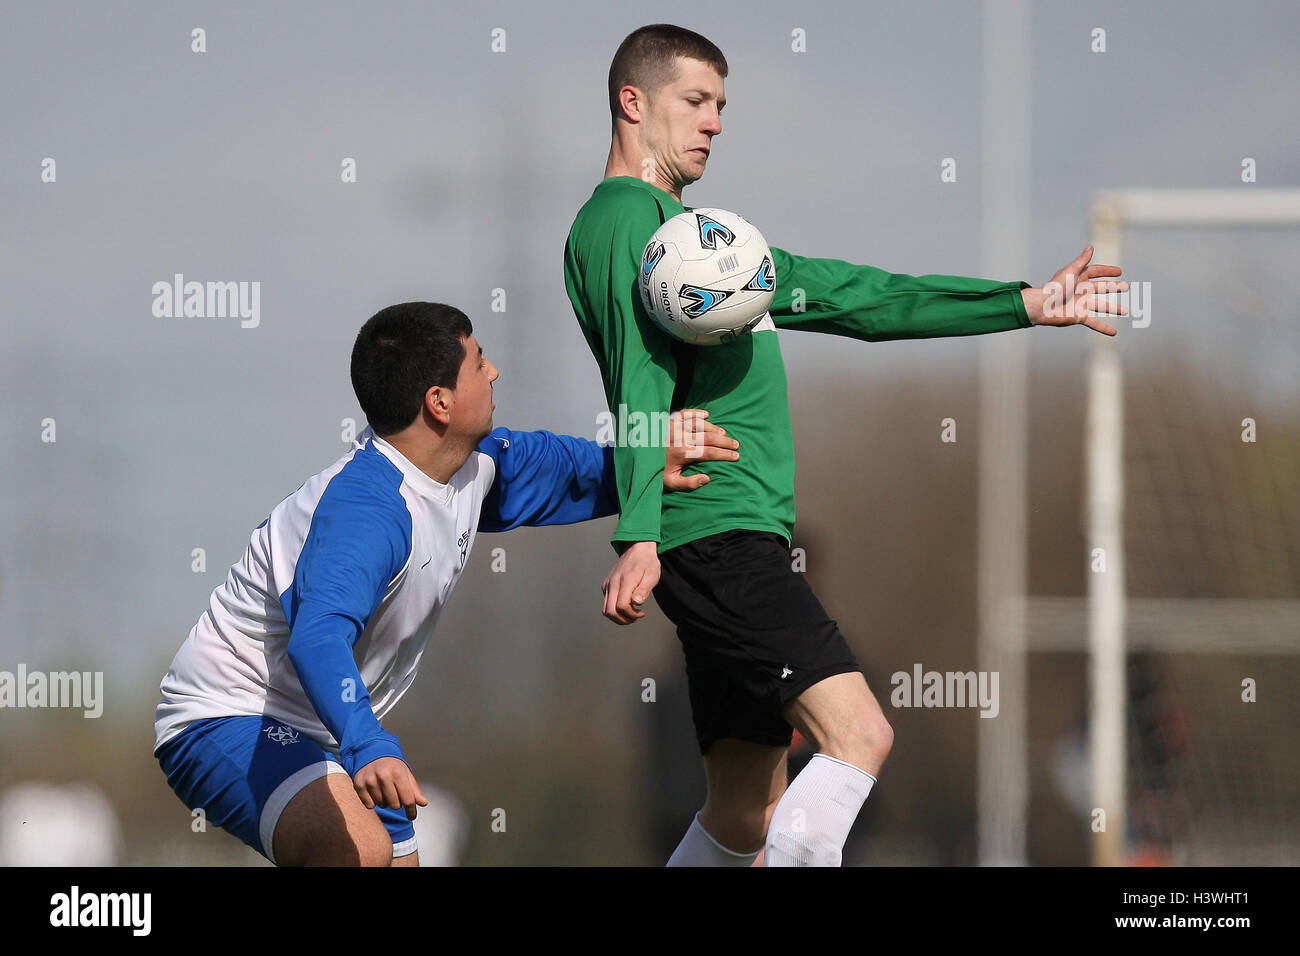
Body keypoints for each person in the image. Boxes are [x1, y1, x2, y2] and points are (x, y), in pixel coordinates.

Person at [563, 24, 1129, 867]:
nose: (715, 123)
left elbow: (852, 298)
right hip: (714, 537)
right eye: (695, 102)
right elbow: (638, 384)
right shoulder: (623, 223)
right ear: (632, 102)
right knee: (859, 734)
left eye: (721, 106)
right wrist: (638, 528)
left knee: (744, 812)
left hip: (736, 535)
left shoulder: (705, 244)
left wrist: (1019, 302)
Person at [152, 301, 732, 866]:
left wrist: (650, 459)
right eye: (479, 361)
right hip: (226, 714)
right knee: (357, 851)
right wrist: (368, 744)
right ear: (440, 402)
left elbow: (567, 472)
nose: (494, 370)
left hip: (329, 729)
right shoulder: (367, 513)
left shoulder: (469, 467)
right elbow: (318, 638)